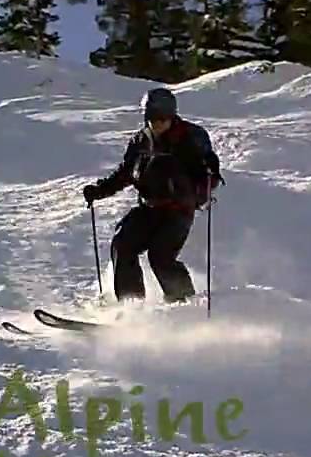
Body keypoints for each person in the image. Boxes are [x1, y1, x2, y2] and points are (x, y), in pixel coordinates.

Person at [82, 87, 225, 303]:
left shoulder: (191, 136)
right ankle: (131, 305)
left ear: (172, 116)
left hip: (179, 209)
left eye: (163, 119)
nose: (157, 124)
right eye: (152, 118)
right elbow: (126, 173)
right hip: (149, 208)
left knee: (160, 256)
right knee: (123, 244)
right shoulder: (141, 141)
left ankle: (183, 303)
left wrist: (208, 176)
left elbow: (208, 173)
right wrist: (99, 190)